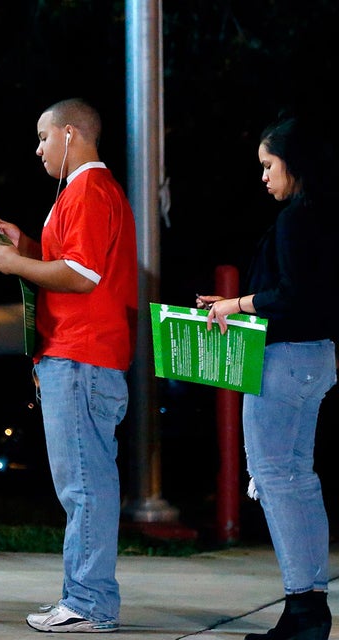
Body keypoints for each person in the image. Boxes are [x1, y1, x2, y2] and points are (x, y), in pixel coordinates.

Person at [0, 98, 138, 633]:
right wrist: (25, 245)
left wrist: (16, 263)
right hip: (76, 357)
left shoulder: (90, 190)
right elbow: (70, 261)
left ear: (70, 134)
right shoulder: (81, 191)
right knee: (83, 483)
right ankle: (84, 597)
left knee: (84, 486)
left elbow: (81, 276)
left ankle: (89, 602)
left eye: (43, 136)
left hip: (82, 356)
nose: (38, 149)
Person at [197, 113, 337, 640]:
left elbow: (292, 297)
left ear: (292, 164)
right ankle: (309, 609)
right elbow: (306, 293)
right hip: (317, 358)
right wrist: (236, 304)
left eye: (268, 165)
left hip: (283, 361)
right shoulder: (324, 215)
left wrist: (235, 304)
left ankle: (303, 608)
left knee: (275, 478)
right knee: (299, 479)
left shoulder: (296, 219)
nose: (263, 176)